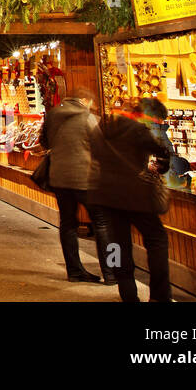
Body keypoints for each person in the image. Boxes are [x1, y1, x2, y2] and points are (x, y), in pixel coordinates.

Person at [88, 98, 175, 302]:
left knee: (116, 246)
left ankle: (126, 292)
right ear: (136, 114)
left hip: (105, 195)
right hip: (136, 194)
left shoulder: (98, 130)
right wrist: (158, 167)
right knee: (157, 240)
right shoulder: (137, 130)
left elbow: (93, 154)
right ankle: (160, 295)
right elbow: (162, 153)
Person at [41, 86, 113, 284]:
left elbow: (44, 142)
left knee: (68, 224)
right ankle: (111, 271)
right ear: (84, 100)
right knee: (103, 222)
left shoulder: (52, 115)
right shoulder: (88, 118)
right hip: (86, 178)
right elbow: (102, 147)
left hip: (59, 178)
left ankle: (74, 271)